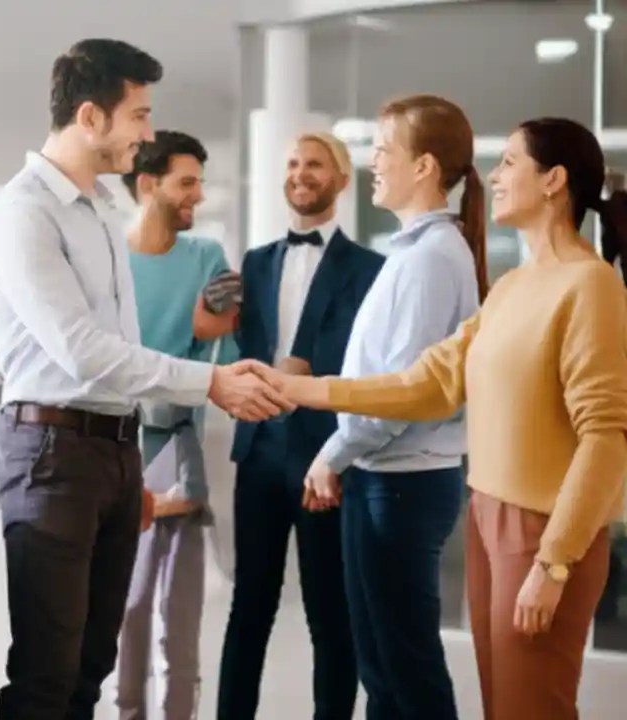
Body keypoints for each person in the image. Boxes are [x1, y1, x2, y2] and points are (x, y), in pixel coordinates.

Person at [264, 117, 627, 720]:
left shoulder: (590, 288)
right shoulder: (513, 287)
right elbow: (426, 383)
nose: (493, 175)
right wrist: (297, 388)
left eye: (510, 162)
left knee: (530, 708)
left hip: (544, 529)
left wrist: (554, 561)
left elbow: (607, 437)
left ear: (554, 180)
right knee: (502, 706)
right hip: (488, 517)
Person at [0, 39, 292, 720]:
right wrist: (208, 382)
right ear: (91, 117)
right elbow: (84, 351)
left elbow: (126, 347)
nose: (147, 134)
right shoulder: (22, 213)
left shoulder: (101, 213)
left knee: (92, 666)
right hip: (53, 457)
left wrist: (132, 467)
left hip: (113, 453)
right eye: (139, 116)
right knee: (45, 674)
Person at [299, 94, 486, 720]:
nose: (372, 162)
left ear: (426, 166)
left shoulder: (432, 257)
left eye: (383, 149)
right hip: (384, 477)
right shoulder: (412, 250)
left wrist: (333, 452)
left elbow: (404, 391)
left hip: (402, 484)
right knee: (382, 671)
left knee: (406, 673)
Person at [215, 131, 384, 720]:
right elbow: (240, 345)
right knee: (249, 606)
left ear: (341, 179)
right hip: (259, 451)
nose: (300, 173)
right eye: (292, 163)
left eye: (315, 164)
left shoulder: (372, 270)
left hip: (325, 454)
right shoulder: (256, 263)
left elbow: (364, 361)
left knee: (329, 611)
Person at [113, 129, 242, 720]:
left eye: (199, 183)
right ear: (148, 185)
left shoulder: (206, 258)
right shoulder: (108, 256)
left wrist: (216, 326)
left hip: (182, 448)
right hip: (117, 449)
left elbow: (227, 350)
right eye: (186, 183)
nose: (198, 195)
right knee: (129, 609)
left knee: (180, 616)